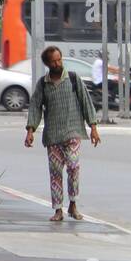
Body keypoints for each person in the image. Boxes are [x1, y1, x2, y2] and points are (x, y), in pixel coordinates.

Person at [25, 46, 100, 222]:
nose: (58, 63)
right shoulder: (43, 84)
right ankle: (58, 209)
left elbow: (86, 102)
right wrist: (30, 131)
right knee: (55, 172)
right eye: (54, 61)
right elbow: (35, 107)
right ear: (47, 63)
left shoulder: (73, 78)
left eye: (60, 59)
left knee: (73, 167)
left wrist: (93, 128)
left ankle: (73, 203)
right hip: (53, 135)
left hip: (73, 132)